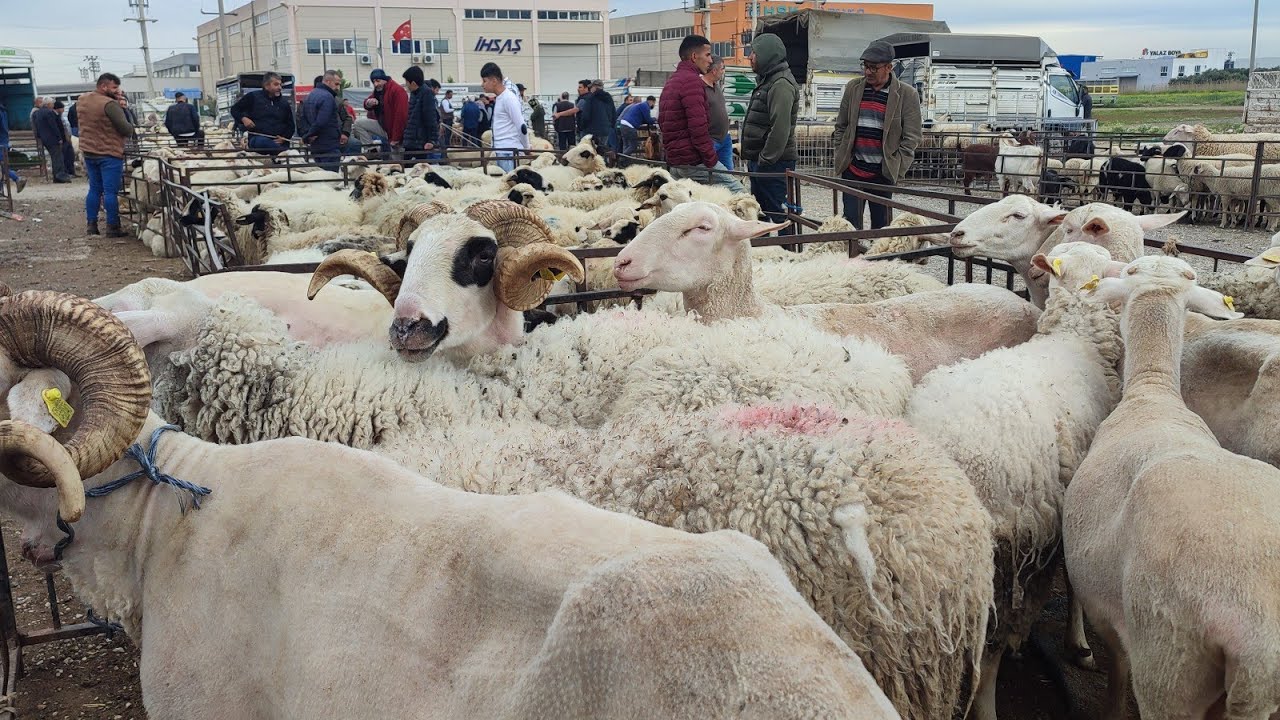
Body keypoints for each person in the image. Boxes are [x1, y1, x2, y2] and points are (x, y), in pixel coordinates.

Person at [831, 39, 921, 233]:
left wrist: (897, 166)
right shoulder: (853, 88)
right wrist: (841, 154)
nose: (868, 72)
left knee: (881, 228)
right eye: (865, 66)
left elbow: (912, 136)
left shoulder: (907, 95)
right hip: (853, 170)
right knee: (850, 227)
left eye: (873, 67)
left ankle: (879, 262)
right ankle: (851, 262)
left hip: (883, 174)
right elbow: (841, 126)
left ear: (889, 67)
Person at [658, 35, 744, 192]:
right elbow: (698, 129)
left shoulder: (673, 81)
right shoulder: (692, 82)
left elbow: (662, 122)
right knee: (739, 192)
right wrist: (711, 161)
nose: (711, 60)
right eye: (707, 55)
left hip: (677, 161)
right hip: (694, 162)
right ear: (694, 56)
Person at [741, 33, 799, 237]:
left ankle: (789, 255)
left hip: (774, 163)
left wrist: (765, 159)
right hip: (763, 161)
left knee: (780, 213)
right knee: (761, 212)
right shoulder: (768, 80)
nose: (750, 57)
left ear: (767, 54)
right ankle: (765, 255)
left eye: (754, 53)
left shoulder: (780, 84)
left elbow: (780, 128)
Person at [76, 72, 134, 236]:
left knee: (94, 188)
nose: (117, 91)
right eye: (114, 87)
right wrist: (125, 112)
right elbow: (125, 128)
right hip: (108, 153)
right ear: (104, 86)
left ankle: (91, 224)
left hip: (89, 151)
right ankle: (112, 227)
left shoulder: (82, 100)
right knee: (110, 192)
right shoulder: (109, 104)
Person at [231, 71, 295, 156]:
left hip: (279, 142)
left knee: (279, 147)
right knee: (262, 142)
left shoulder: (284, 103)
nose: (279, 87)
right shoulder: (253, 97)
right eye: (276, 84)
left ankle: (282, 153)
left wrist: (285, 137)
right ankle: (285, 153)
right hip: (258, 139)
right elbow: (235, 109)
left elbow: (290, 125)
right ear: (266, 86)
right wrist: (244, 118)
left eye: (280, 85)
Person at [481, 62, 527, 172]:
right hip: (502, 151)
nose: (482, 84)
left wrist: (526, 147)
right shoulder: (501, 98)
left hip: (508, 152)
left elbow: (521, 126)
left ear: (494, 81)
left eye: (484, 81)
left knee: (508, 184)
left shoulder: (508, 98)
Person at [298, 70, 345, 171]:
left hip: (315, 145)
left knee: (321, 180)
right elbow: (322, 121)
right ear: (328, 81)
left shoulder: (309, 96)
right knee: (331, 180)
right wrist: (308, 136)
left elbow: (302, 118)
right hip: (328, 144)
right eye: (336, 84)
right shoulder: (328, 97)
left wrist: (307, 135)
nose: (338, 88)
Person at [363, 68, 409, 154]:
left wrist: (396, 138)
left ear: (384, 80)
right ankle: (371, 150)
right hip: (385, 128)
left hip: (396, 132)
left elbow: (401, 116)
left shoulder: (397, 91)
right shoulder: (379, 91)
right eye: (373, 82)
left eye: (377, 81)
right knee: (359, 124)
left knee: (397, 162)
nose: (375, 84)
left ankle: (373, 151)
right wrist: (368, 103)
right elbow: (367, 102)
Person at [401, 66, 439, 163]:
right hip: (412, 140)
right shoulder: (415, 94)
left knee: (419, 170)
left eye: (406, 82)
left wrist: (431, 140)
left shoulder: (426, 93)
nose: (406, 85)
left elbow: (431, 118)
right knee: (406, 168)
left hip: (420, 142)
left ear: (413, 83)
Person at [704, 56, 734, 171]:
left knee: (728, 173)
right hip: (711, 139)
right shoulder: (701, 88)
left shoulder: (717, 87)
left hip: (725, 138)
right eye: (722, 68)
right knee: (712, 173)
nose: (723, 71)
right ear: (714, 70)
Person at [33, 98, 71, 183]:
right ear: (48, 104)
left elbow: (36, 127)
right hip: (52, 138)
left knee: (54, 157)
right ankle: (59, 176)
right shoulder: (49, 113)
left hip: (44, 138)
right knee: (58, 157)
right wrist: (59, 138)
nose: (53, 105)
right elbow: (53, 126)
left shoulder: (38, 112)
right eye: (52, 103)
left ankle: (56, 176)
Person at [0, 98, 26, 193]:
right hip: (3, 141)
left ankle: (17, 179)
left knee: (2, 166)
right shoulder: (3, 110)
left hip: (1, 143)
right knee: (2, 166)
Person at [617, 94, 655, 159]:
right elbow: (648, 120)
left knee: (626, 145)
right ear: (652, 102)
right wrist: (655, 119)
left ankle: (624, 163)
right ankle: (621, 158)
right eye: (654, 103)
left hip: (623, 124)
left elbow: (642, 119)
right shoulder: (645, 106)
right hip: (629, 126)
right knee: (633, 145)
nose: (653, 105)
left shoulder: (640, 105)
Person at [53, 101, 77, 178]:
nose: (63, 110)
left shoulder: (62, 116)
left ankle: (71, 171)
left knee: (71, 155)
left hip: (68, 138)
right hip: (63, 139)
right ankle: (66, 172)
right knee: (65, 155)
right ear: (58, 108)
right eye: (62, 108)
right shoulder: (56, 117)